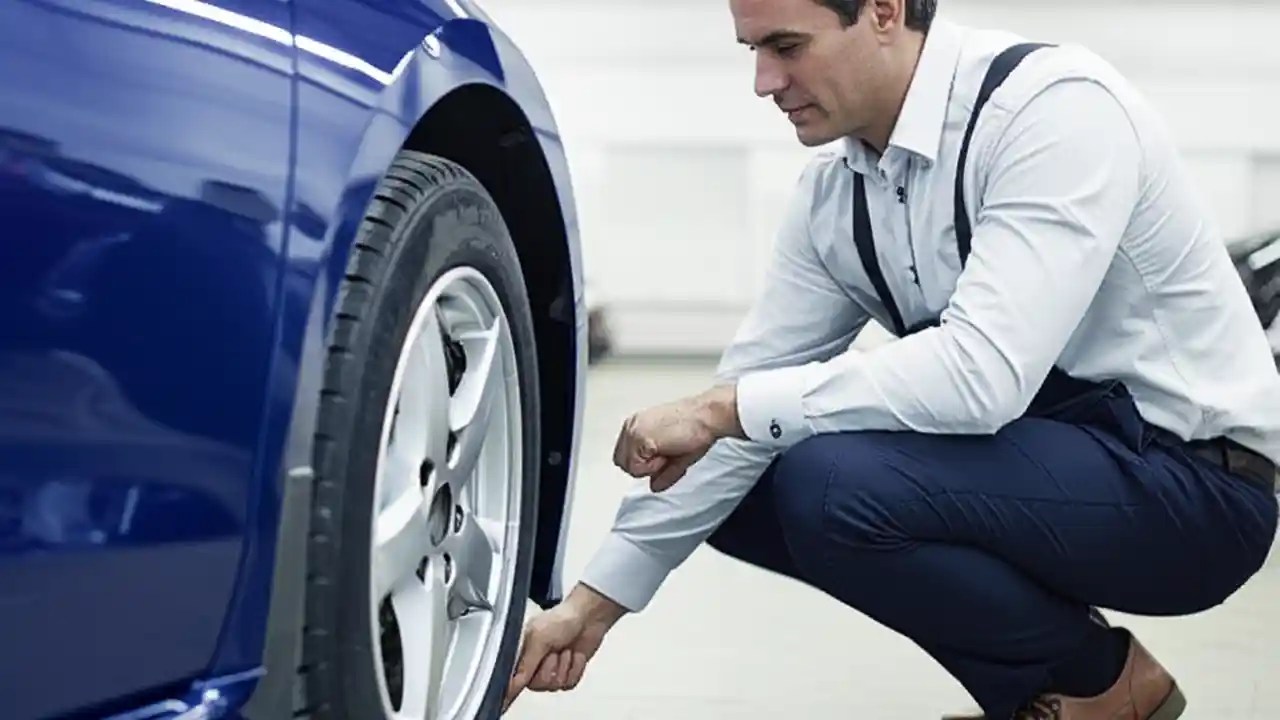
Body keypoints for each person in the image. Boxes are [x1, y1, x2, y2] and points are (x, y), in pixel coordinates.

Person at [501, 0, 1280, 718]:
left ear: (883, 10)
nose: (763, 82)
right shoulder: (835, 198)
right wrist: (591, 606)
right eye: (752, 50)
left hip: (1196, 490)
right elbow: (742, 407)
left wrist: (721, 409)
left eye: (785, 46)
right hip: (1062, 468)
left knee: (825, 479)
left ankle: (1097, 684)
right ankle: (1075, 690)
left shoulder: (1052, 113)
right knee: (739, 472)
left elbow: (981, 375)